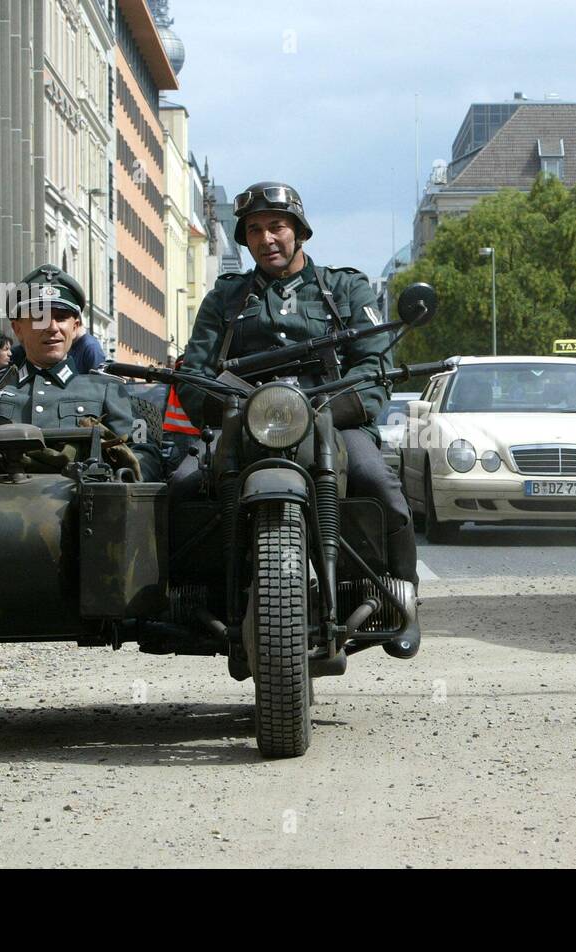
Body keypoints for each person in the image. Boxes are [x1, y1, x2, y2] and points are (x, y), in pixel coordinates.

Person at [177, 181, 420, 658]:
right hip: (242, 422)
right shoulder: (225, 298)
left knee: (378, 482)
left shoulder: (346, 287)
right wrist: (227, 409)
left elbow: (373, 367)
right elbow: (195, 371)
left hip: (334, 420)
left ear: (300, 231)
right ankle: (187, 603)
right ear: (244, 240)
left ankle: (400, 599)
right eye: (254, 230)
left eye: (277, 227)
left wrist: (324, 409)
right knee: (184, 484)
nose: (266, 239)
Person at [0, 264, 160, 482]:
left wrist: (125, 479)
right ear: (18, 329)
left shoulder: (107, 389)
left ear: (75, 327)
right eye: (39, 317)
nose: (52, 327)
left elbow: (144, 450)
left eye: (62, 317)